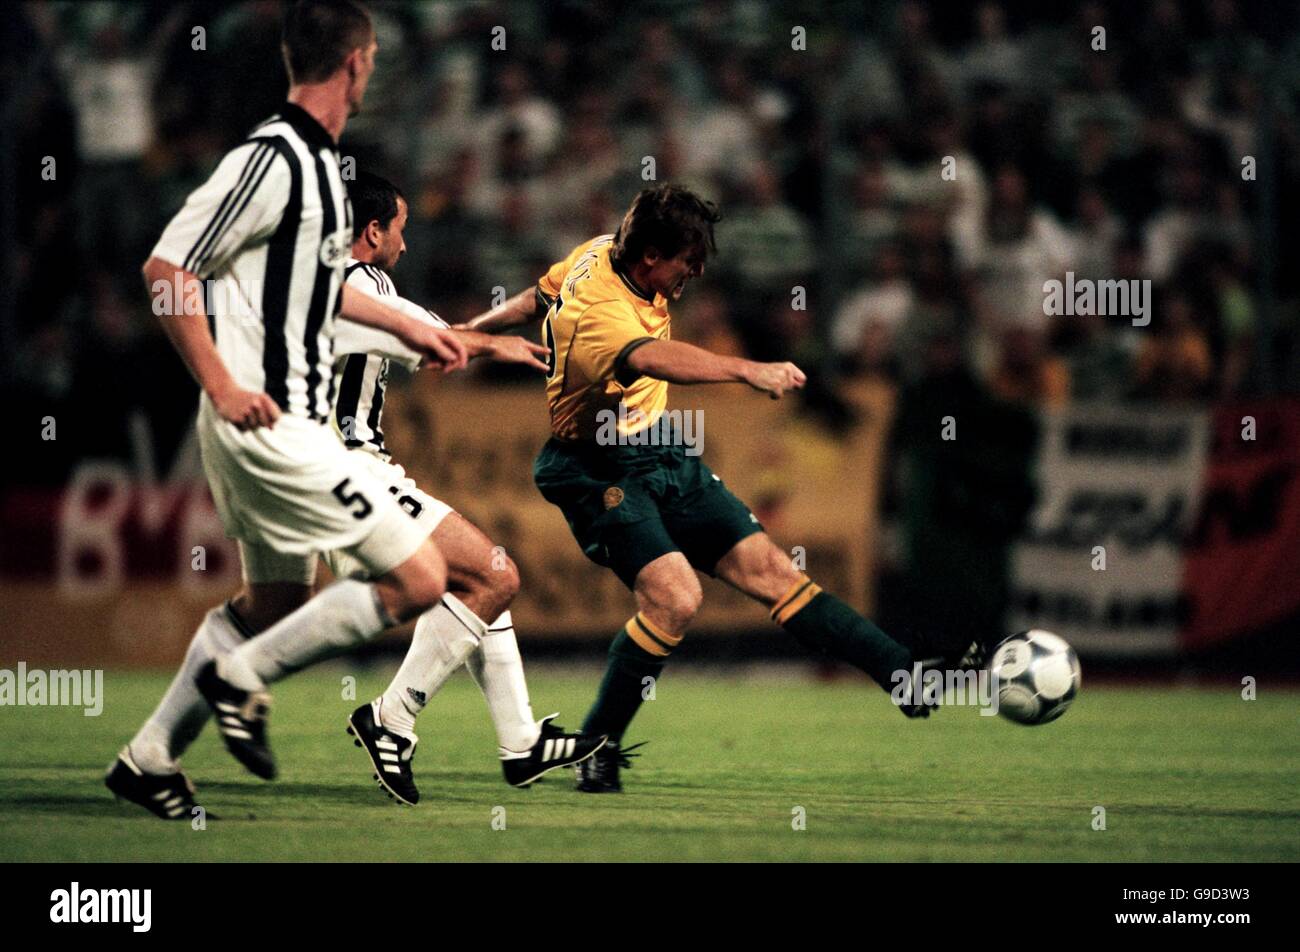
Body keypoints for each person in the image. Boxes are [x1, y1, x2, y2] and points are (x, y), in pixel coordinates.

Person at [464, 184, 978, 793]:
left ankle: (904, 677)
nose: (697, 271)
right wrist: (744, 368)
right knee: (675, 598)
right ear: (651, 256)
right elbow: (654, 359)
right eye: (688, 259)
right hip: (594, 468)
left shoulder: (600, 250)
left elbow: (536, 295)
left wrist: (471, 330)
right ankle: (597, 746)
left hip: (657, 447)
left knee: (773, 572)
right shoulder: (600, 314)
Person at [107, 0, 471, 818]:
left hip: (272, 423)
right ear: (357, 63)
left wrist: (419, 329)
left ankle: (149, 755)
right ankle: (240, 678)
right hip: (274, 426)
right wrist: (221, 382)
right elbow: (168, 267)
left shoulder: (319, 169)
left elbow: (319, 296)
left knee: (272, 606)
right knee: (421, 576)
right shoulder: (273, 161)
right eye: (371, 60)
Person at [327, 172, 605, 804]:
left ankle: (519, 742)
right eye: (400, 228)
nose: (406, 242)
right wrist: (500, 345)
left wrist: (481, 340)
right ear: (372, 232)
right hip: (347, 470)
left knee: (483, 581)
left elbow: (429, 346)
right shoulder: (359, 284)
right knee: (497, 576)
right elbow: (436, 344)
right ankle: (390, 718)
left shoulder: (321, 283)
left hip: (341, 471)